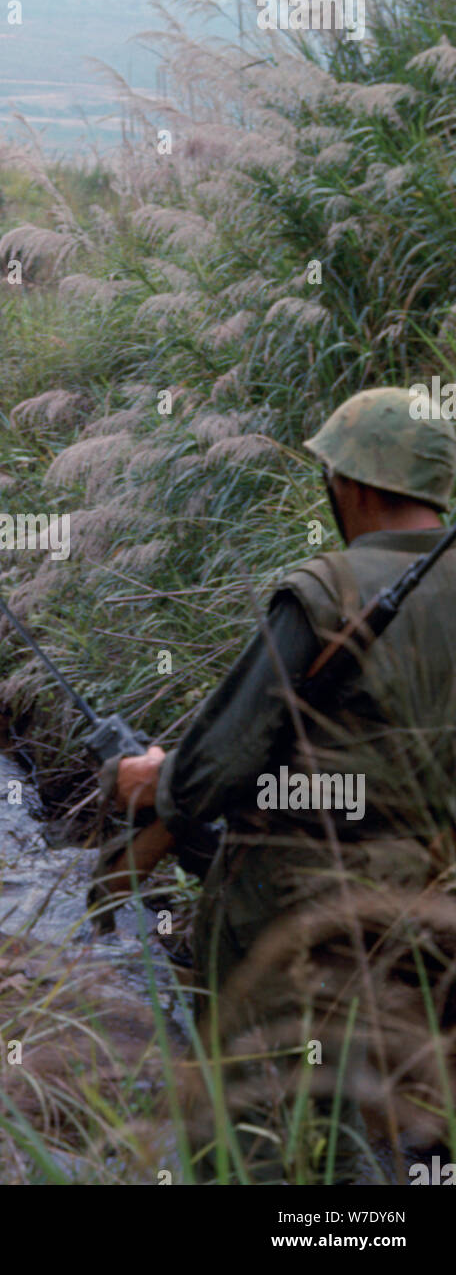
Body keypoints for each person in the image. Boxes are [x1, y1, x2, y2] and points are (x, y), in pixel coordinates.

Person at [88, 387, 456, 1179]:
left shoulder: (324, 590)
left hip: (294, 907)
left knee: (251, 1128)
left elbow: (219, 763)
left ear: (351, 484)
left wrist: (148, 780)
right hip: (427, 907)